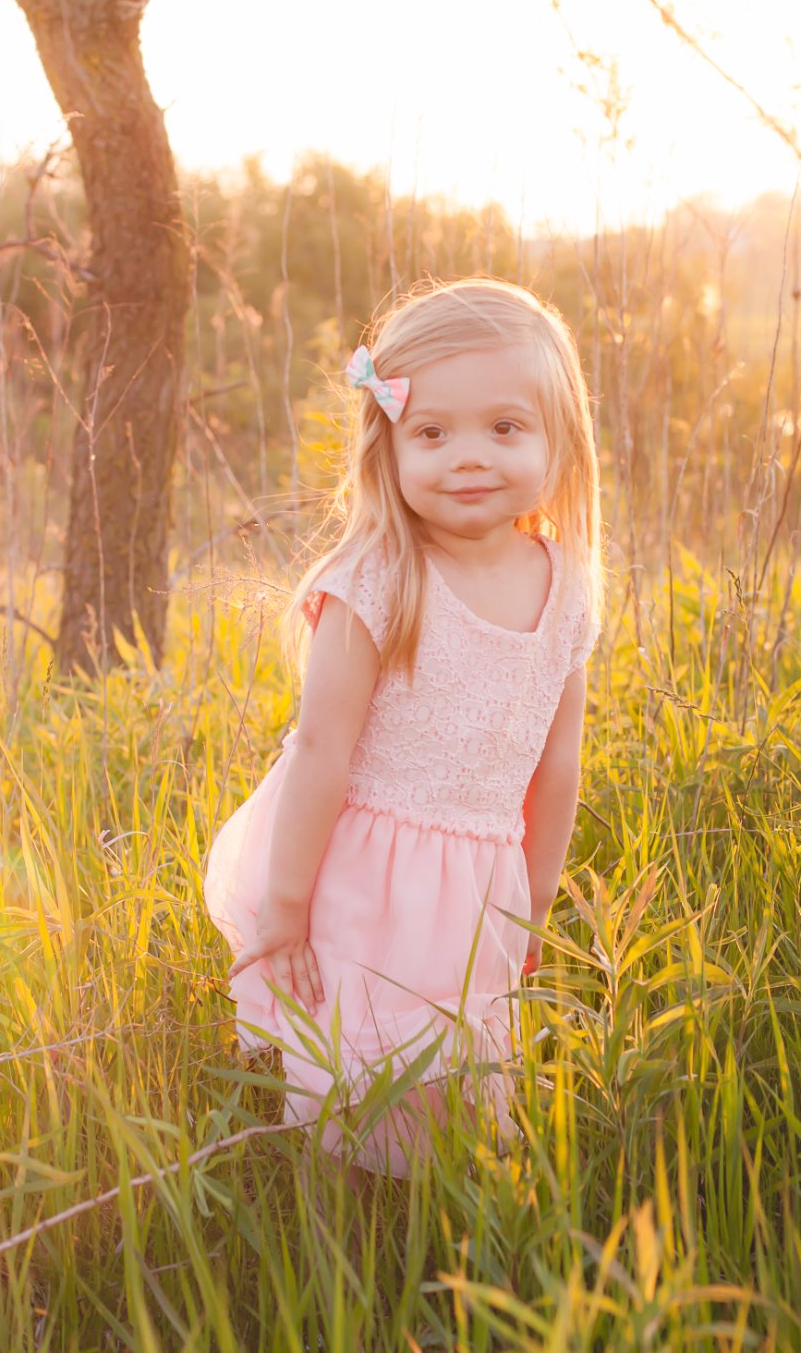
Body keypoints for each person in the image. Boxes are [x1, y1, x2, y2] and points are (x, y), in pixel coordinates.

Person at [203, 276, 603, 1176]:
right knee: (356, 1081)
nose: (468, 457)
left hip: (482, 876)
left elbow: (558, 763)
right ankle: (335, 1228)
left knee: (457, 1081)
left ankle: (439, 1246)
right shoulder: (382, 579)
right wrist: (288, 907)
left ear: (558, 439)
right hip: (360, 872)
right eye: (432, 432)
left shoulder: (567, 584)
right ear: (388, 447)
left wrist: (532, 907)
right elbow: (320, 752)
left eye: (503, 428)